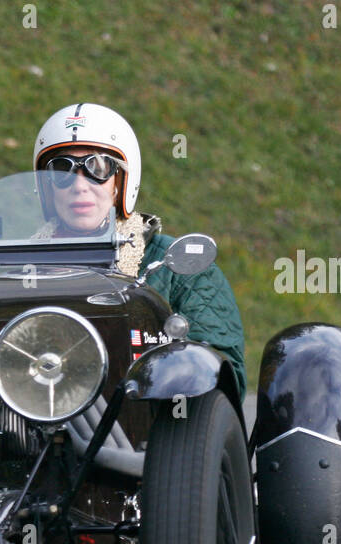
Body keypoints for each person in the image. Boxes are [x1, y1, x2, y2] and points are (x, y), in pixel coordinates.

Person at [32, 103, 247, 395]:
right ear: (46, 186)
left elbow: (221, 378)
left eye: (98, 167)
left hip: (141, 429)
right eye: (62, 169)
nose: (80, 185)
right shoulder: (15, 267)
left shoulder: (180, 269)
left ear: (120, 181)